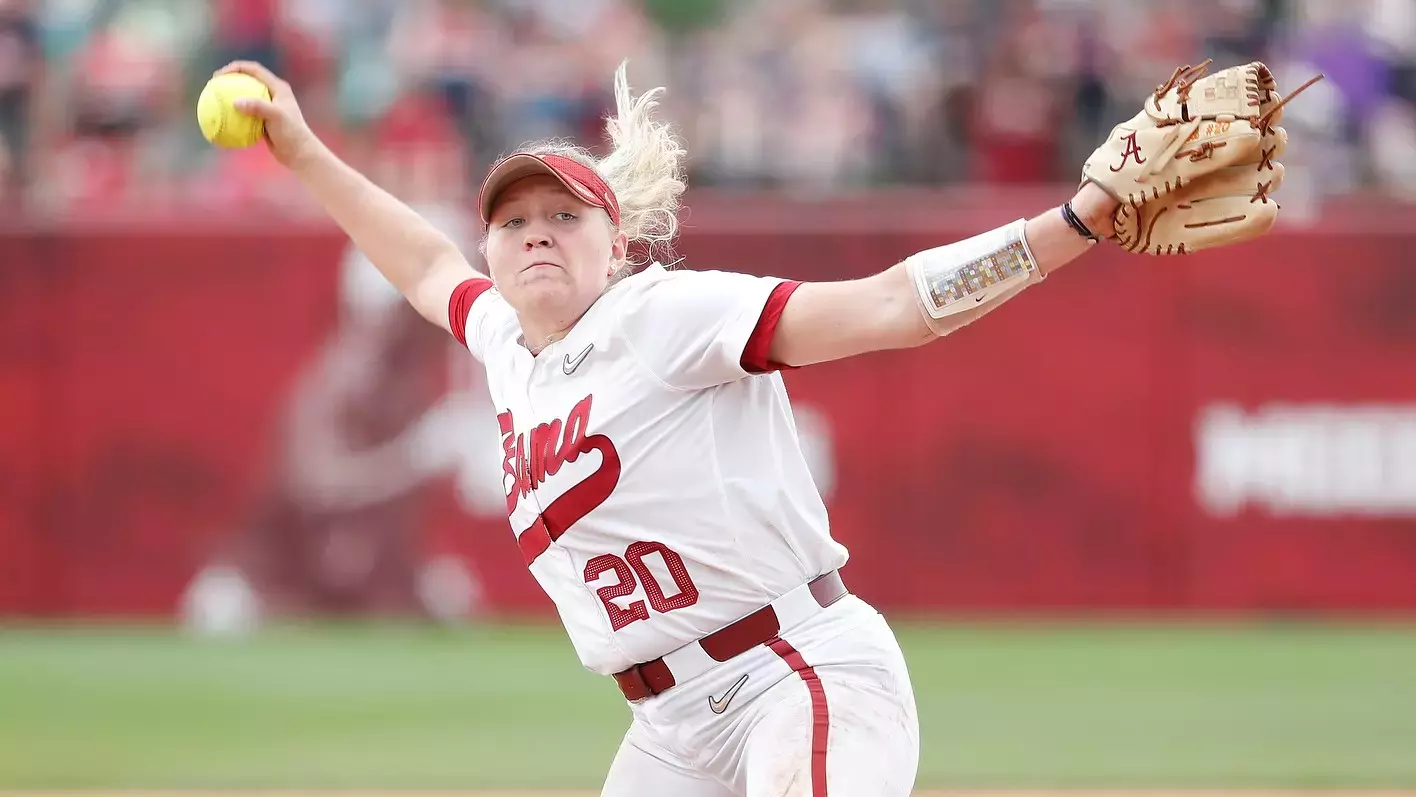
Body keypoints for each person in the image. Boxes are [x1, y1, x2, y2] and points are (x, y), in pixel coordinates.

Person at [219, 58, 1121, 797]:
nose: (537, 234)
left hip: (795, 675)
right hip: (668, 730)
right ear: (489, 251)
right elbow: (420, 262)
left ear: (615, 247)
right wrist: (300, 152)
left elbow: (894, 307)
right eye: (514, 221)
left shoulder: (665, 316)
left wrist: (1074, 223)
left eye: (565, 218)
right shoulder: (501, 339)